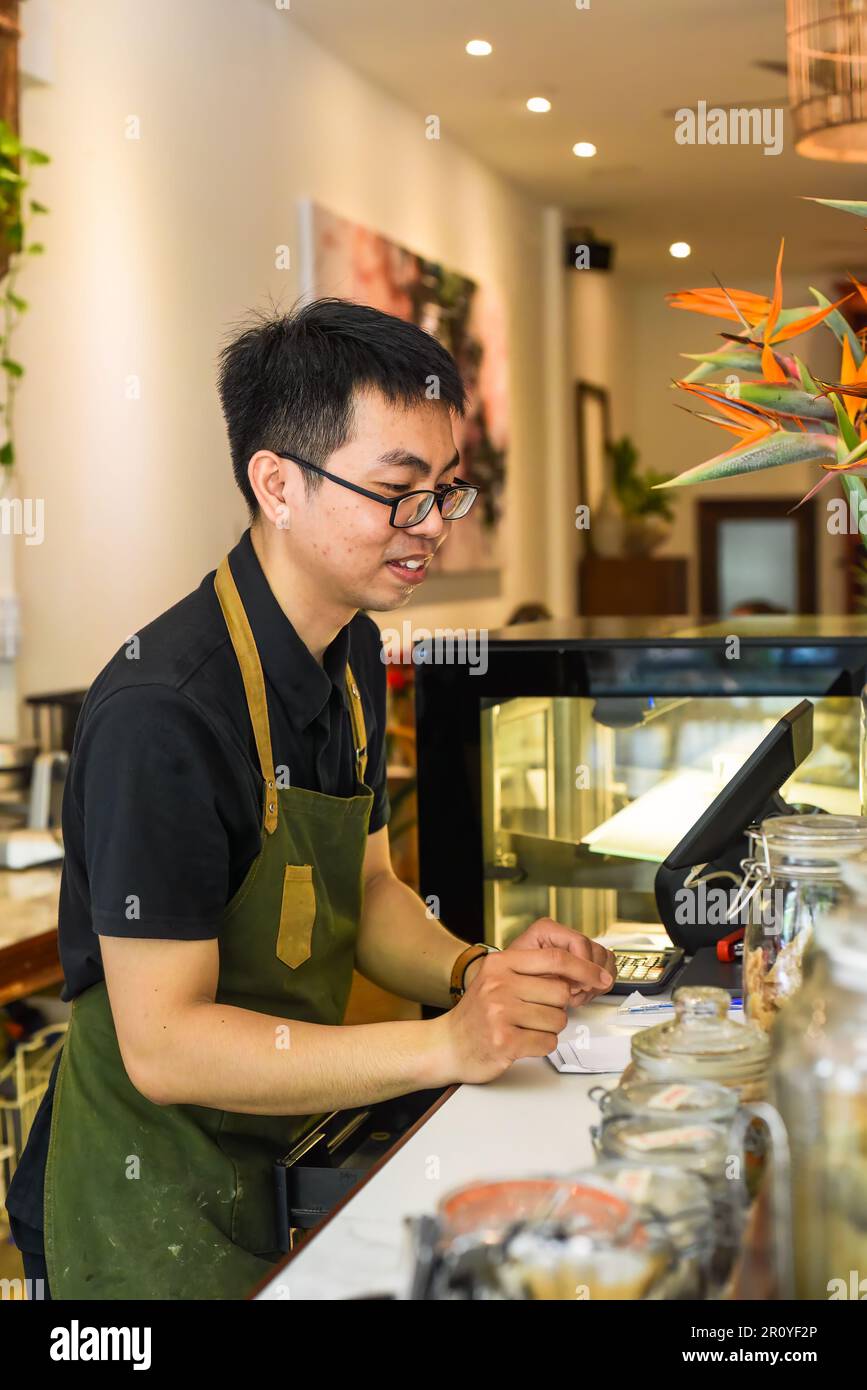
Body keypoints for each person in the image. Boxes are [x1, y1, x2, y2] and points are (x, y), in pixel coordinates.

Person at [6, 298, 616, 1299]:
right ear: (276, 483)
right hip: (137, 1203)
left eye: (446, 493)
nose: (432, 531)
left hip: (277, 1155)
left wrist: (478, 969)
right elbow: (164, 1045)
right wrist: (439, 1044)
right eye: (397, 492)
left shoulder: (353, 652)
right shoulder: (165, 711)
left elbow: (368, 893)